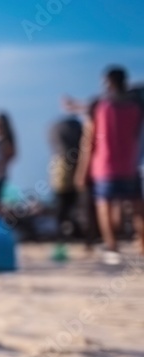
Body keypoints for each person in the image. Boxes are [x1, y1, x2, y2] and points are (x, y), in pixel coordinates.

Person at [76, 65, 144, 264]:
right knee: (137, 207)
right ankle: (142, 244)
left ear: (108, 82)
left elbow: (89, 141)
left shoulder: (101, 107)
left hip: (104, 165)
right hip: (130, 165)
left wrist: (82, 170)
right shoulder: (135, 106)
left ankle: (112, 248)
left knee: (104, 206)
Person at [48, 116, 83, 239]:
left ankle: (62, 230)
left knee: (63, 204)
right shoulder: (68, 156)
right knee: (67, 204)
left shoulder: (58, 157)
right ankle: (65, 231)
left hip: (60, 174)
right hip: (66, 175)